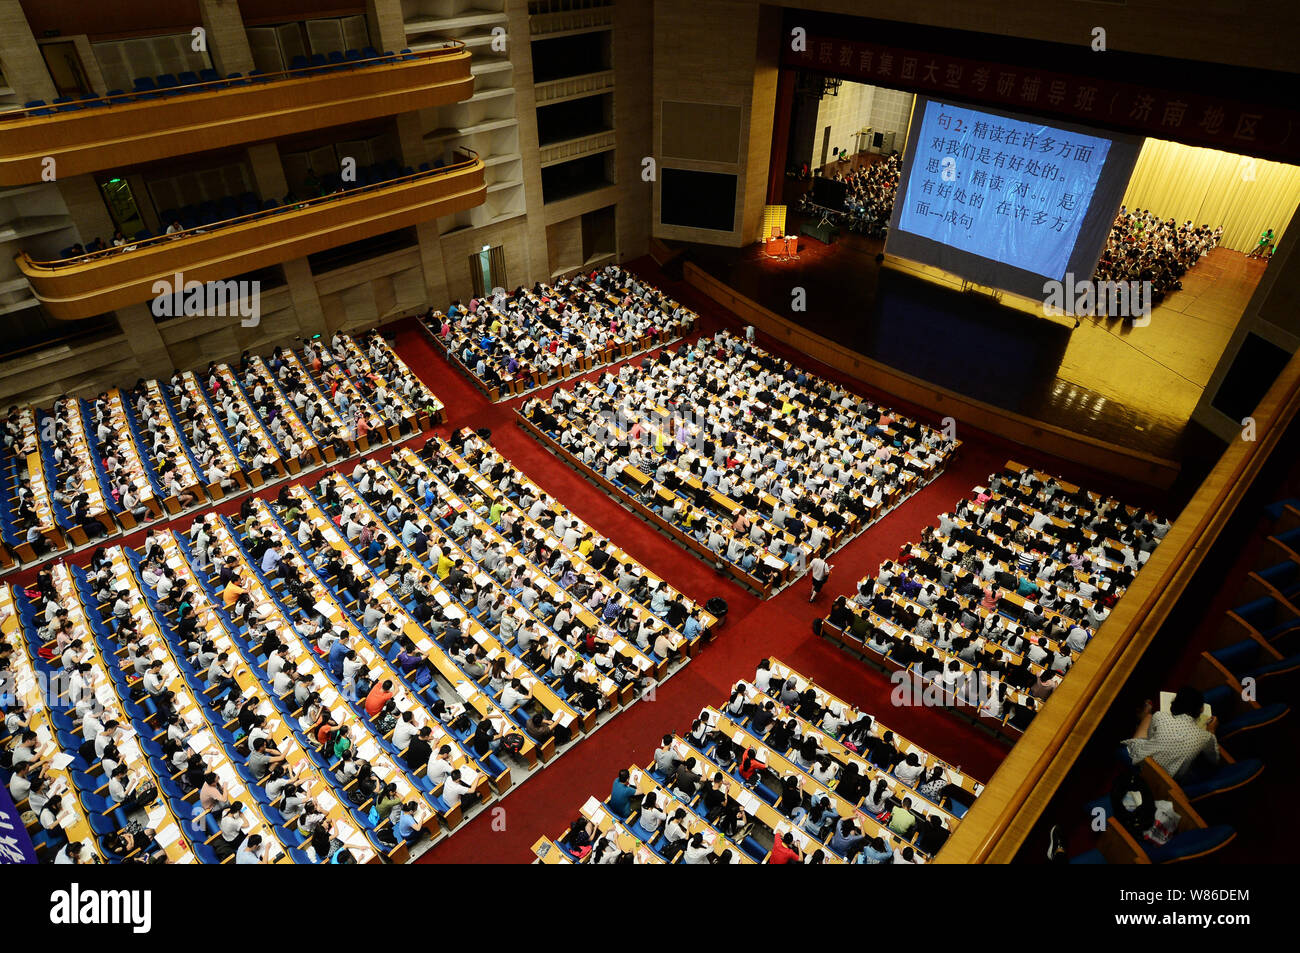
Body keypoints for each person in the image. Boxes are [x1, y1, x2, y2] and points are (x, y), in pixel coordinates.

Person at [1123, 687, 1220, 781]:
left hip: (1144, 763)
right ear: (1201, 710)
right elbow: (1214, 759)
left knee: (1148, 718)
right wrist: (1211, 731)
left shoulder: (1160, 716)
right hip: (1169, 779)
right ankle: (1143, 717)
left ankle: (1143, 717)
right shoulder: (1206, 737)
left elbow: (1150, 738)